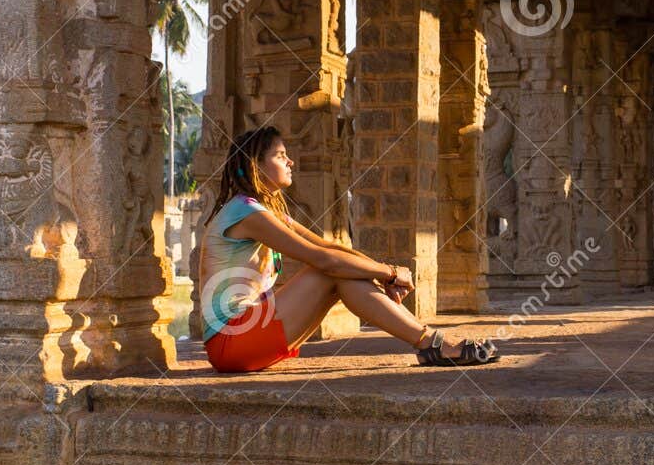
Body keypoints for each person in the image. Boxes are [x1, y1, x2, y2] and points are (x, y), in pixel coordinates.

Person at [197, 125, 500, 374]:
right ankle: (431, 343)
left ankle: (430, 342)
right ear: (255, 164)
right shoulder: (246, 213)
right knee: (328, 271)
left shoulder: (265, 211)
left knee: (340, 268)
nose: (291, 162)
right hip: (231, 341)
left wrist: (382, 273)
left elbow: (330, 247)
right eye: (280, 156)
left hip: (247, 337)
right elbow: (323, 260)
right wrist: (389, 272)